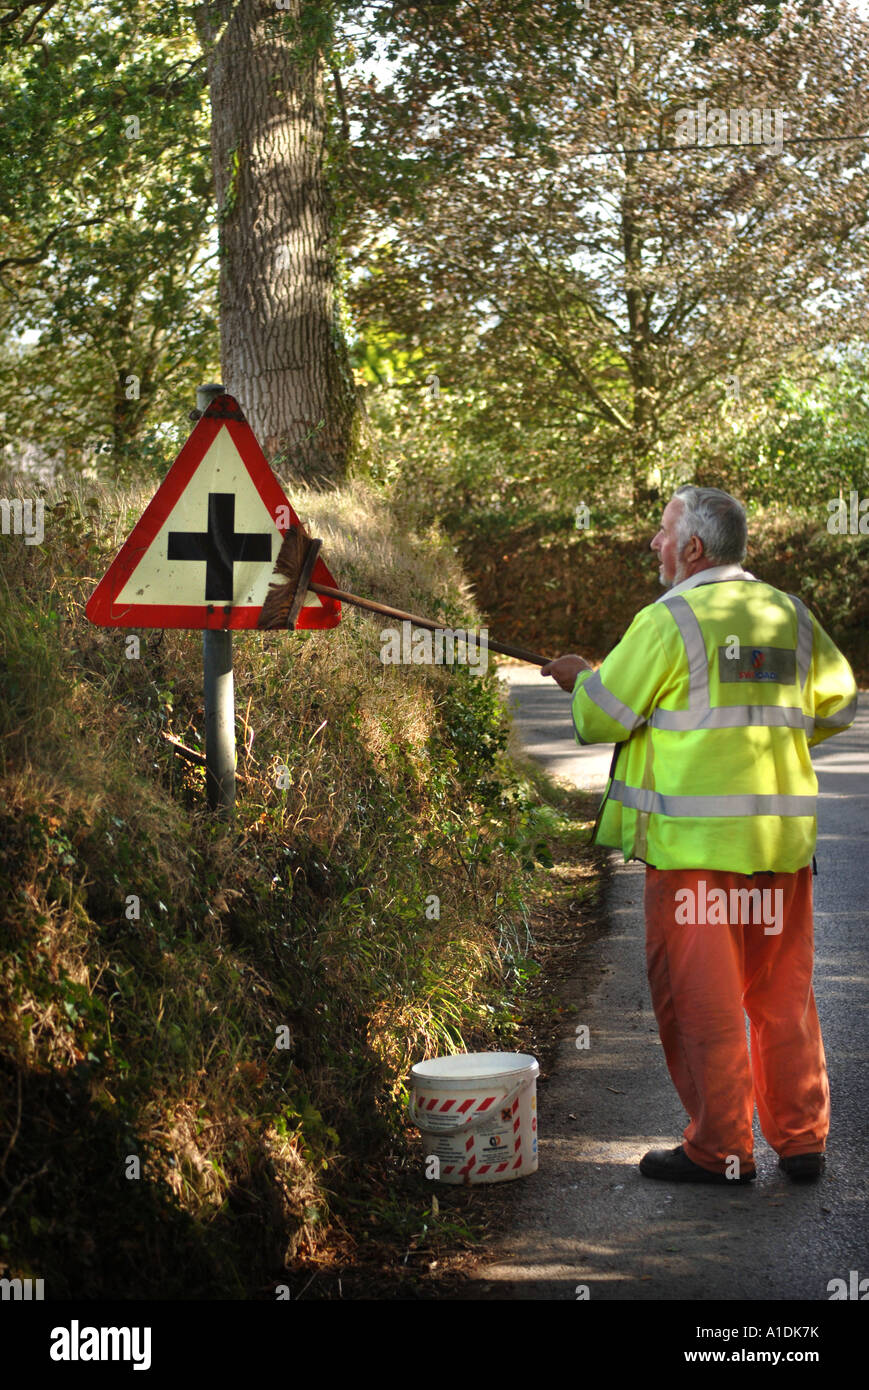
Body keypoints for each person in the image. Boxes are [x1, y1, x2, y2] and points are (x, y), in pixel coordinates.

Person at [541, 485, 858, 1185]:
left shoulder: (668, 619)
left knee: (703, 1004)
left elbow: (602, 717)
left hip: (694, 858)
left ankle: (718, 1150)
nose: (652, 544)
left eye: (660, 532)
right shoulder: (789, 615)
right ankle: (801, 1140)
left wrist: (577, 678)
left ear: (691, 548)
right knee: (782, 999)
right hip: (779, 850)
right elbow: (835, 702)